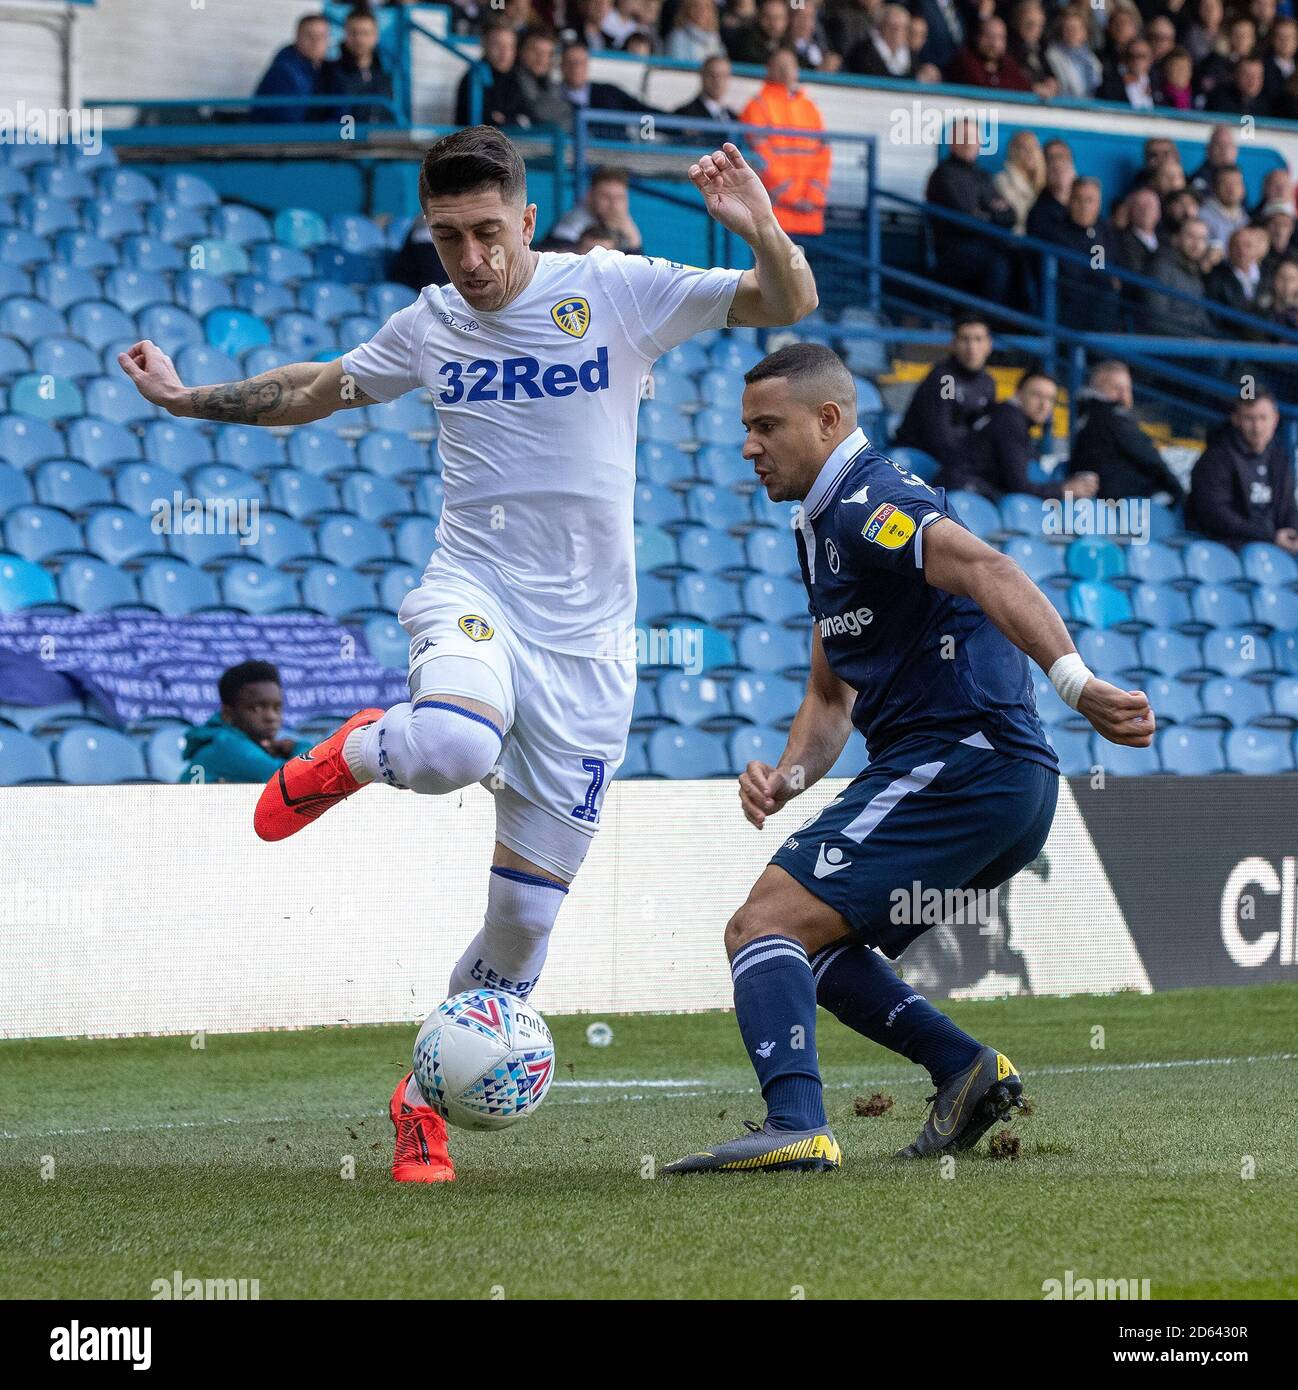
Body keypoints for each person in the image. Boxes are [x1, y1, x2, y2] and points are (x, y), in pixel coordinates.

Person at [118, 126, 817, 1185]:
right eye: (448, 237)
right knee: (445, 744)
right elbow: (315, 389)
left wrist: (760, 223)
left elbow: (786, 304)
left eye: (488, 231)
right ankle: (357, 749)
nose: (472, 258)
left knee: (522, 926)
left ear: (527, 220)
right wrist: (185, 398)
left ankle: (422, 1097)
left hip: (586, 657)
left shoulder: (616, 290)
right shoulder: (430, 323)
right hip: (474, 595)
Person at [662, 343, 1153, 1174]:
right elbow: (829, 698)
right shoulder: (821, 527)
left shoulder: (871, 502)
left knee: (761, 926)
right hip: (989, 783)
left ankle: (794, 1124)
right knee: (810, 950)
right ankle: (963, 1070)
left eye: (767, 426)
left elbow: (987, 567)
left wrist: (1076, 684)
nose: (750, 446)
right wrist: (788, 778)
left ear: (829, 420)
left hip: (964, 762)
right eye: (747, 428)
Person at [943, 368, 1100, 502]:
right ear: (1018, 393)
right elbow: (1019, 486)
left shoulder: (1005, 414)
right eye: (1037, 395)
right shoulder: (1010, 421)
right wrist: (1066, 489)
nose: (1044, 405)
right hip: (964, 493)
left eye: (1050, 399)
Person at [1188, 390, 1298, 551]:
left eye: (1263, 418)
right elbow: (1216, 517)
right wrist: (1270, 537)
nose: (1257, 427)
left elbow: (1288, 507)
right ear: (1236, 419)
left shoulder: (1279, 456)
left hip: (1274, 545)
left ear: (1275, 419)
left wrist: (1293, 534)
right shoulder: (1216, 458)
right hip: (1230, 547)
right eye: (1249, 418)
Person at [739, 49, 831, 239]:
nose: (786, 71)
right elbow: (761, 156)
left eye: (790, 66)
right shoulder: (757, 106)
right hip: (774, 215)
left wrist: (812, 196)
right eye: (780, 66)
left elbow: (823, 156)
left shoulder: (809, 107)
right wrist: (791, 197)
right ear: (769, 69)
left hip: (809, 216)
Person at [1070, 361, 1186, 504]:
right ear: (1097, 388)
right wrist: (1178, 491)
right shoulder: (1111, 418)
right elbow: (1150, 458)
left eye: (1127, 389)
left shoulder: (1086, 416)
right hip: (1124, 504)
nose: (1123, 396)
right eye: (1116, 388)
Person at [924, 125, 1016, 304]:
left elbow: (1010, 216)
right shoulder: (943, 175)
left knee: (1020, 257)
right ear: (952, 143)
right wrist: (992, 213)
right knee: (996, 264)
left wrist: (984, 215)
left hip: (986, 247)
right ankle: (983, 325)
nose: (969, 143)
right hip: (953, 252)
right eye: (963, 138)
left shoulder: (984, 176)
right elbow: (965, 220)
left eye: (973, 138)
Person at [893, 312, 996, 471]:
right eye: (965, 339)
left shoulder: (987, 383)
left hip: (955, 459)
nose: (971, 347)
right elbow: (941, 436)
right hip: (920, 459)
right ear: (953, 344)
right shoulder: (945, 379)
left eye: (978, 339)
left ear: (989, 345)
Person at [179, 661, 311, 784]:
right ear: (228, 713)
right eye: (257, 708)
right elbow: (292, 780)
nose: (271, 717)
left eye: (277, 707)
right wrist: (299, 747)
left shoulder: (229, 740)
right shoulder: (227, 744)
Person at [1142, 215, 1216, 336]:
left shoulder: (1196, 270)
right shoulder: (1160, 268)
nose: (1196, 244)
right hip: (1169, 346)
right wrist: (1197, 336)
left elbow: (1202, 317)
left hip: (1194, 342)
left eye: (1202, 239)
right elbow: (1156, 318)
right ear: (1176, 238)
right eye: (1191, 237)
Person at [543, 165, 643, 252]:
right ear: (590, 196)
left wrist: (634, 240)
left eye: (619, 198)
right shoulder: (575, 221)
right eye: (605, 196)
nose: (613, 204)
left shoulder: (626, 226)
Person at [252, 13, 332, 123]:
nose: (316, 42)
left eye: (322, 36)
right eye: (309, 35)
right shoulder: (283, 72)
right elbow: (287, 119)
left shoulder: (325, 70)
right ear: (297, 37)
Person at [323, 6, 395, 124]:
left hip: (379, 140)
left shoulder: (385, 76)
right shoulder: (329, 72)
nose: (359, 39)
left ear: (375, 36)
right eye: (353, 32)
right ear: (345, 34)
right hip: (341, 140)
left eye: (365, 33)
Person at [454, 20, 525, 127]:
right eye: (498, 45)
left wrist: (506, 120)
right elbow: (484, 123)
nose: (504, 52)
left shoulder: (518, 78)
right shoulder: (473, 79)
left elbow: (528, 118)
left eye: (510, 46)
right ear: (485, 46)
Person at [945, 15, 1033, 90]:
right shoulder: (964, 62)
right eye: (989, 36)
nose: (994, 44)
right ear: (978, 37)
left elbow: (1026, 88)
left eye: (1000, 38)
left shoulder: (1009, 65)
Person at [994, 129, 1045, 235]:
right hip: (1019, 242)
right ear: (1013, 151)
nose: (1030, 152)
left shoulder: (1045, 182)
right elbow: (1020, 216)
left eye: (1034, 146)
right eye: (1024, 147)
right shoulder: (1002, 180)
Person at [1025, 137, 1076, 243]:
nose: (1058, 164)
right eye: (1051, 159)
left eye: (1063, 158)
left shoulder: (1084, 204)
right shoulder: (1039, 213)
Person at [1046, 8, 1103, 99]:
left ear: (1085, 32)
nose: (1072, 32)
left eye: (1076, 28)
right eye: (1067, 28)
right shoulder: (1053, 55)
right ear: (1061, 31)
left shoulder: (1092, 59)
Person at [673, 53, 739, 129]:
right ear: (702, 75)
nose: (718, 81)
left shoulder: (735, 118)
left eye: (723, 76)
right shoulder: (683, 114)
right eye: (712, 75)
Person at [725, 0, 791, 64]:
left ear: (787, 20)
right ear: (758, 18)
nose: (774, 24)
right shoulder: (743, 41)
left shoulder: (790, 44)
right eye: (768, 18)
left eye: (779, 18)